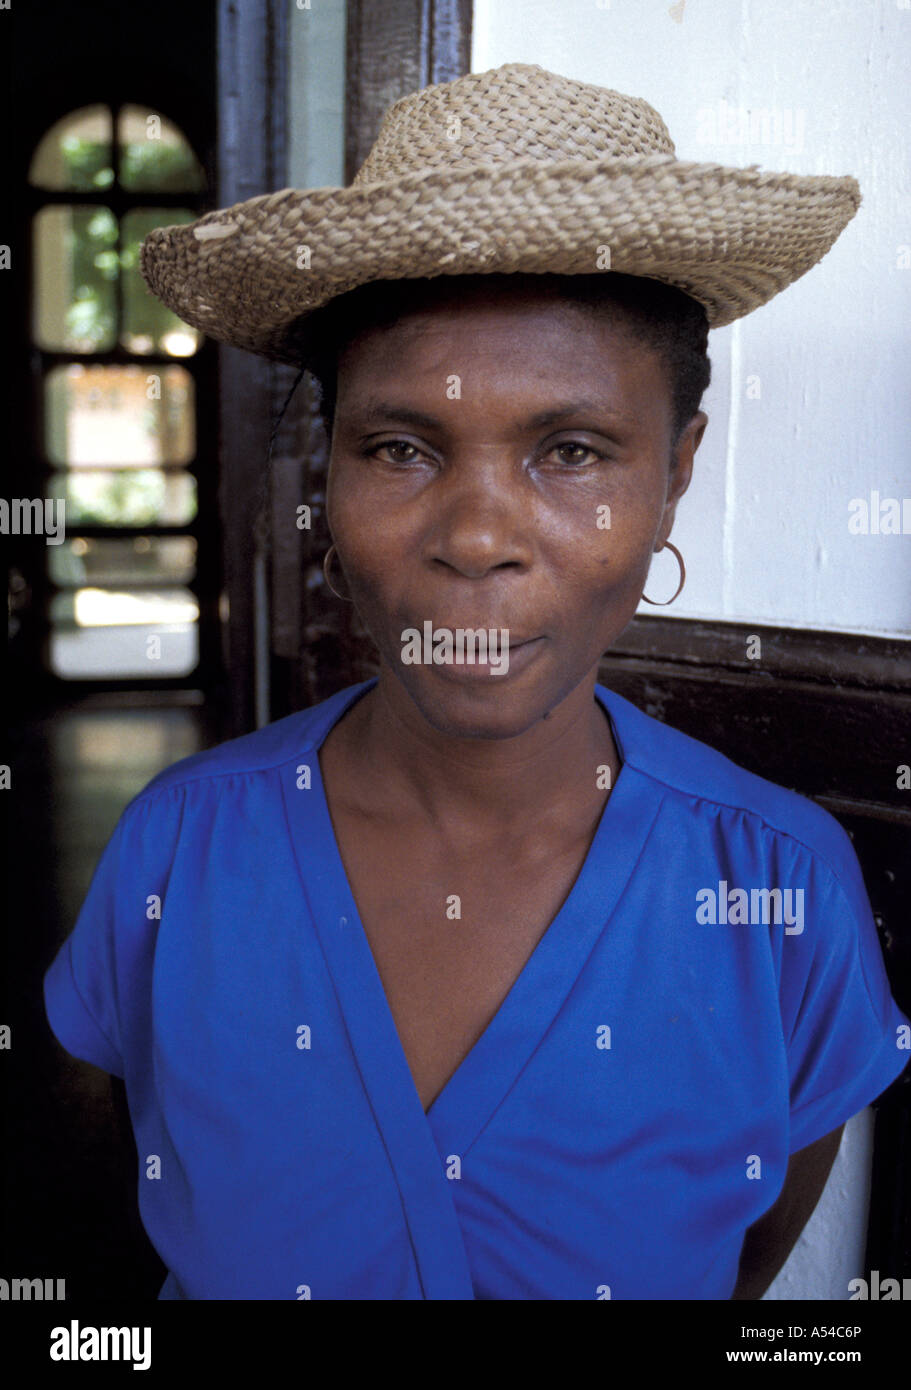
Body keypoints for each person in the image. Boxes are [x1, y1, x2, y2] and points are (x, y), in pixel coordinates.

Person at [45, 63, 908, 1301]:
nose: (476, 536)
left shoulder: (774, 886)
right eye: (399, 447)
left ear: (674, 473)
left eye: (572, 451)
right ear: (326, 475)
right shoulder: (176, 852)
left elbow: (741, 1264)